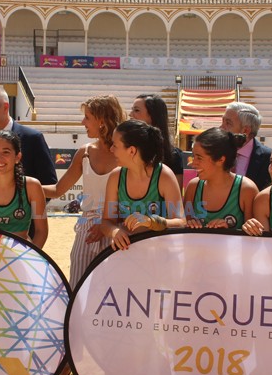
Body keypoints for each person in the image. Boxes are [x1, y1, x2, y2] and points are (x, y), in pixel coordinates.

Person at [43, 95, 124, 283]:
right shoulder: (84, 152)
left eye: (87, 117)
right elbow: (58, 190)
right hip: (87, 231)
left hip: (118, 230)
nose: (82, 122)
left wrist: (106, 224)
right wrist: (23, 185)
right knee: (78, 285)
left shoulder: (126, 153)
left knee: (112, 290)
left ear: (102, 121)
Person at [100, 119, 186, 250]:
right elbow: (106, 222)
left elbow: (181, 222)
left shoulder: (164, 176)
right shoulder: (116, 177)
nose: (111, 149)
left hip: (161, 252)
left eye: (115, 145)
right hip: (130, 251)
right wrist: (115, 231)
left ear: (132, 151)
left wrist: (151, 222)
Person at [0, 130, 48, 248]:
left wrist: (31, 256)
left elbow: (41, 231)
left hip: (21, 253)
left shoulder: (32, 186)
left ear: (17, 157)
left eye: (6, 152)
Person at [183, 128, 258, 229]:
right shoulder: (193, 187)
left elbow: (254, 233)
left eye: (199, 158)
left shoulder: (246, 190)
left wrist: (228, 231)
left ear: (220, 160)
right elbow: (184, 227)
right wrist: (189, 224)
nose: (193, 163)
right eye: (193, 156)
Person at [129, 93, 184, 186]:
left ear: (153, 116)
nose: (130, 114)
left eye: (136, 110)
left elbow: (175, 191)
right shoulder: (126, 149)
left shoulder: (173, 156)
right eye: (132, 110)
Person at [220, 102, 271, 190]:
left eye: (228, 123)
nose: (221, 127)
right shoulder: (214, 151)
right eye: (222, 121)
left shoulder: (268, 158)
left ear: (246, 130)